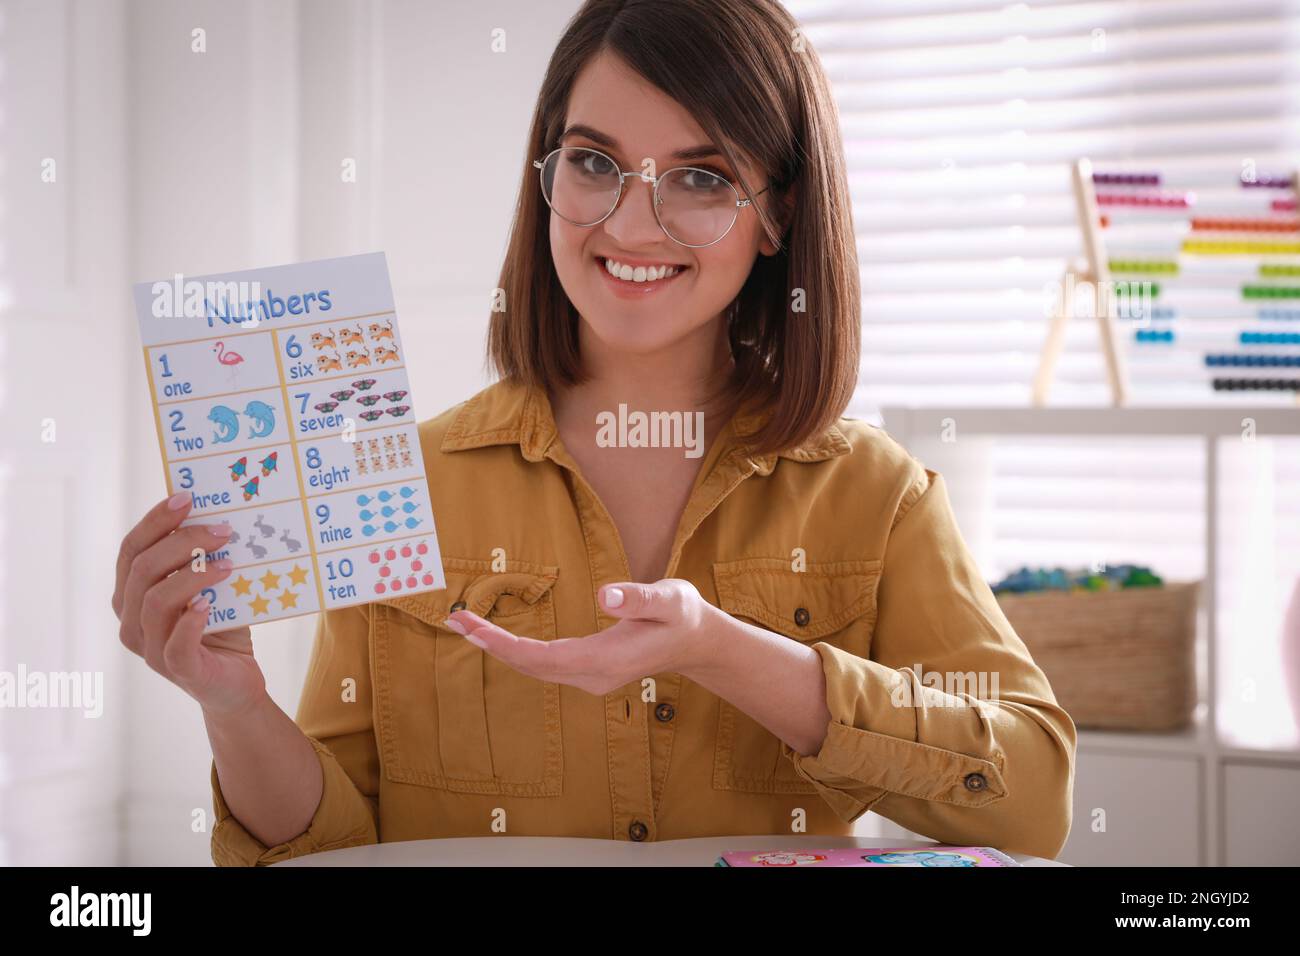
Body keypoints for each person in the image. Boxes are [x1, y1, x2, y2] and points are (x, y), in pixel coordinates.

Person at [112, 0, 1076, 866]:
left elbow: (1032, 804)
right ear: (549, 177)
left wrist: (724, 651)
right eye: (595, 162)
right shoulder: (405, 478)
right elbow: (333, 849)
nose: (632, 221)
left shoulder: (877, 493)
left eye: (700, 176)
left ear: (778, 212)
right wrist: (233, 707)